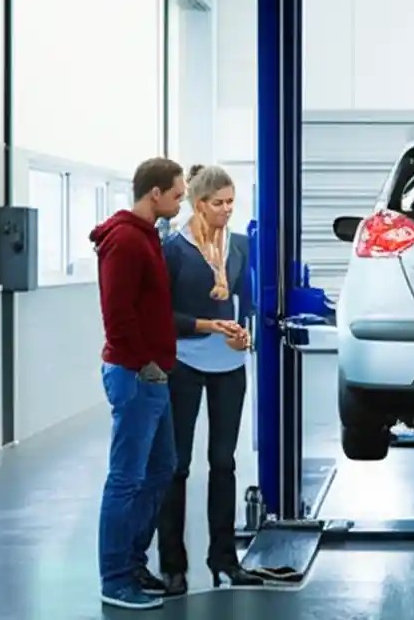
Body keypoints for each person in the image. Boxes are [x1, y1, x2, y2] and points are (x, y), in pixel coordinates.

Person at [155, 164, 263, 594]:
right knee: (177, 466)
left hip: (229, 369)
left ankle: (224, 559)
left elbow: (247, 304)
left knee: (224, 463)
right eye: (218, 203)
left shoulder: (237, 248)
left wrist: (244, 334)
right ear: (199, 204)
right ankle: (172, 565)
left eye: (231, 203)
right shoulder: (173, 251)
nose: (226, 211)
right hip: (183, 364)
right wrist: (208, 326)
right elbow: (162, 316)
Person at [90, 157, 187, 610]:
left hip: (154, 374)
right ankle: (114, 580)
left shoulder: (148, 235)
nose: (181, 200)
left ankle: (132, 564)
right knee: (126, 479)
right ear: (155, 193)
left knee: (161, 468)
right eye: (178, 194)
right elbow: (117, 313)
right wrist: (145, 361)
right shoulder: (126, 241)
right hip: (135, 375)